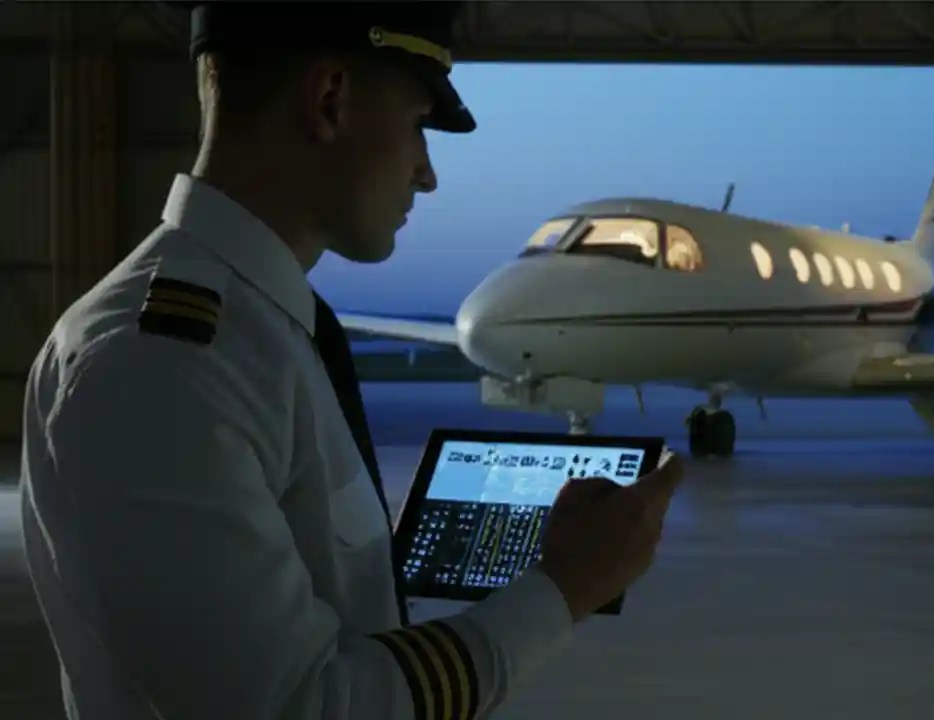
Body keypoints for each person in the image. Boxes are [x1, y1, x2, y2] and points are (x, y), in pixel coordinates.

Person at [17, 3, 684, 719]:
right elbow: (302, 707)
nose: (427, 174)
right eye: (418, 125)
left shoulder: (260, 332)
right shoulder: (162, 367)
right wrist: (565, 587)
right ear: (329, 101)